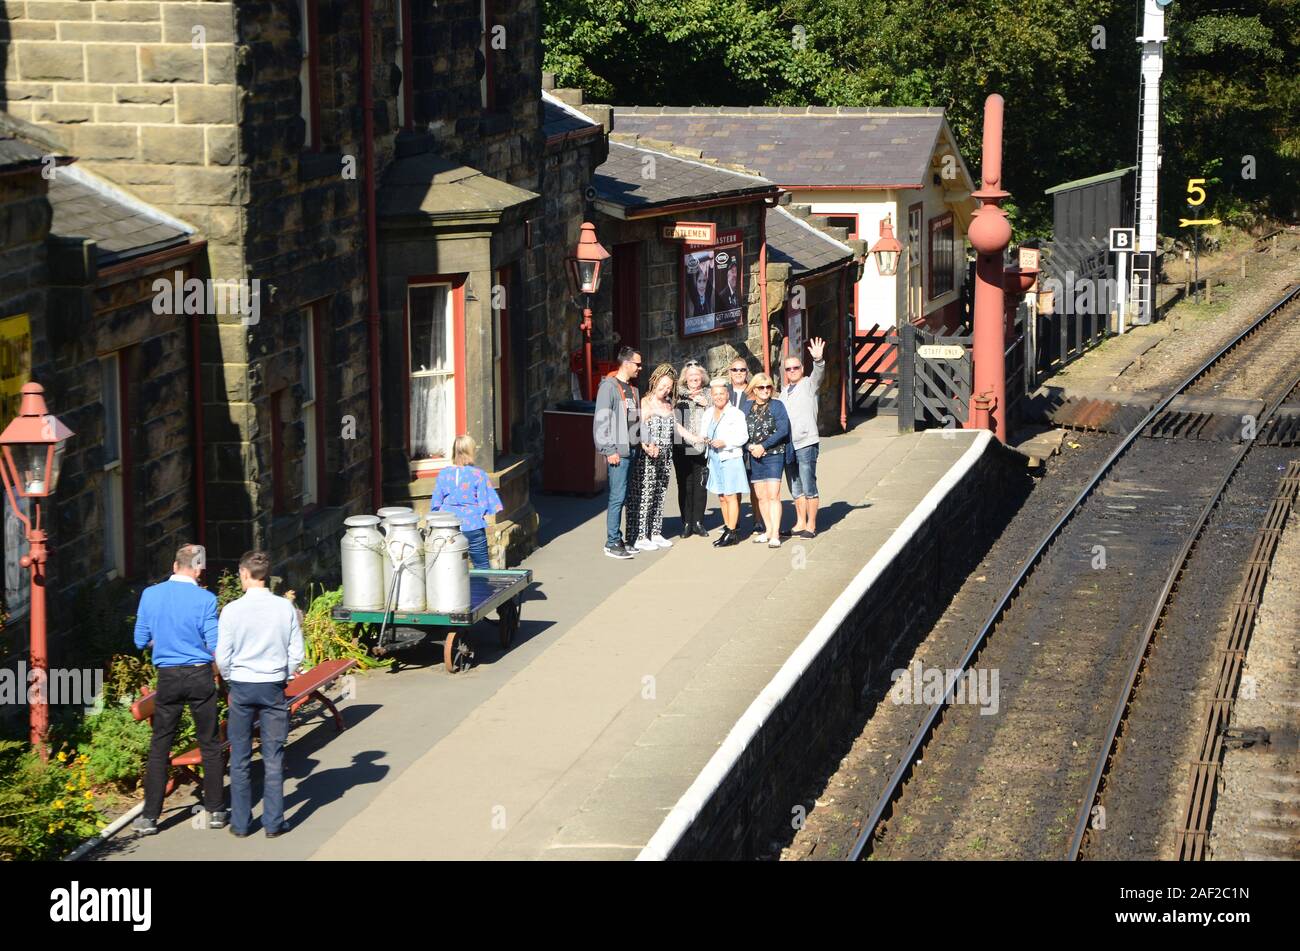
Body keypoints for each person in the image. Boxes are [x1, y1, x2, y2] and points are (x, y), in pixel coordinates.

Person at [131, 544, 226, 835]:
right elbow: (214, 644)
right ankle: (215, 811)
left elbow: (139, 639)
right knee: (209, 742)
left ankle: (149, 817)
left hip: (168, 677)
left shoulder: (150, 595)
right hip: (199, 675)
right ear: (198, 569)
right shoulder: (206, 599)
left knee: (160, 745)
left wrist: (159, 643)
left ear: (175, 566)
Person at [216, 550, 304, 839]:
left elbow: (223, 656)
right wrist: (284, 674)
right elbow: (296, 653)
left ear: (244, 574)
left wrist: (231, 679)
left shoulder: (231, 610)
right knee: (273, 754)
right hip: (273, 685)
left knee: (239, 756)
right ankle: (274, 822)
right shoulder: (284, 608)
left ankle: (241, 823)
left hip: (241, 685)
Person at [627, 364, 703, 550]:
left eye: (669, 387)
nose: (665, 390)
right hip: (648, 456)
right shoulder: (645, 402)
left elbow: (677, 427)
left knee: (659, 493)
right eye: (662, 386)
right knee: (645, 493)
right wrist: (645, 445)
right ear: (654, 382)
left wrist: (694, 438)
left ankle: (655, 532)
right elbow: (636, 427)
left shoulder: (669, 403)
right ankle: (640, 535)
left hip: (665, 455)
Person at [593, 345, 643, 560]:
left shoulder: (633, 389)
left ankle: (620, 539)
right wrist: (608, 450)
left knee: (625, 497)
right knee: (617, 497)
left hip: (632, 450)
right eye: (637, 364)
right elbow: (602, 419)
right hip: (618, 453)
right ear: (626, 363)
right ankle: (612, 541)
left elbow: (635, 421)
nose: (640, 368)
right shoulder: (609, 387)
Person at [430, 433, 503, 568]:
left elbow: (435, 503)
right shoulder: (479, 475)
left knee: (449, 568)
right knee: (481, 566)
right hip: (473, 525)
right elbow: (485, 504)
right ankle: (482, 588)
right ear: (471, 452)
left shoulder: (444, 474)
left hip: (448, 528)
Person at [779, 336, 827, 538]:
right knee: (795, 487)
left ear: (801, 368)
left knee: (808, 485)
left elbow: (819, 374)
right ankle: (799, 522)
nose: (792, 371)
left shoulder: (808, 384)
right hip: (789, 445)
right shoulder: (783, 392)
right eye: (788, 369)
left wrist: (818, 360)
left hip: (806, 443)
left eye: (795, 368)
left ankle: (811, 525)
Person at [698, 378, 749, 547]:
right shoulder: (708, 413)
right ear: (711, 396)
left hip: (730, 458)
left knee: (730, 494)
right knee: (721, 496)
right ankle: (728, 528)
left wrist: (725, 441)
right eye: (715, 394)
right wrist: (705, 438)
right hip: (713, 458)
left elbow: (743, 437)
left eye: (722, 393)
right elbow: (704, 431)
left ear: (727, 394)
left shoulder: (736, 413)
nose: (719, 397)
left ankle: (732, 532)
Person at [744, 373, 791, 548]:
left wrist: (763, 446)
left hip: (774, 455)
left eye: (768, 387)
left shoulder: (777, 405)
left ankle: (776, 534)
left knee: (773, 495)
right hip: (754, 456)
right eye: (761, 387)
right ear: (754, 389)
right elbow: (741, 433)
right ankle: (768, 530)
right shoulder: (747, 408)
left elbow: (783, 430)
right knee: (761, 497)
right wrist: (750, 447)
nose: (765, 390)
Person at [673, 359, 711, 538]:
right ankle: (686, 522)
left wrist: (707, 405)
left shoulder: (709, 395)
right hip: (681, 447)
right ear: (685, 379)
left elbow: (721, 412)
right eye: (691, 377)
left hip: (702, 445)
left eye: (697, 377)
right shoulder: (676, 396)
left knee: (701, 485)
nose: (694, 380)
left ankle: (698, 522)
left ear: (702, 378)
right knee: (684, 485)